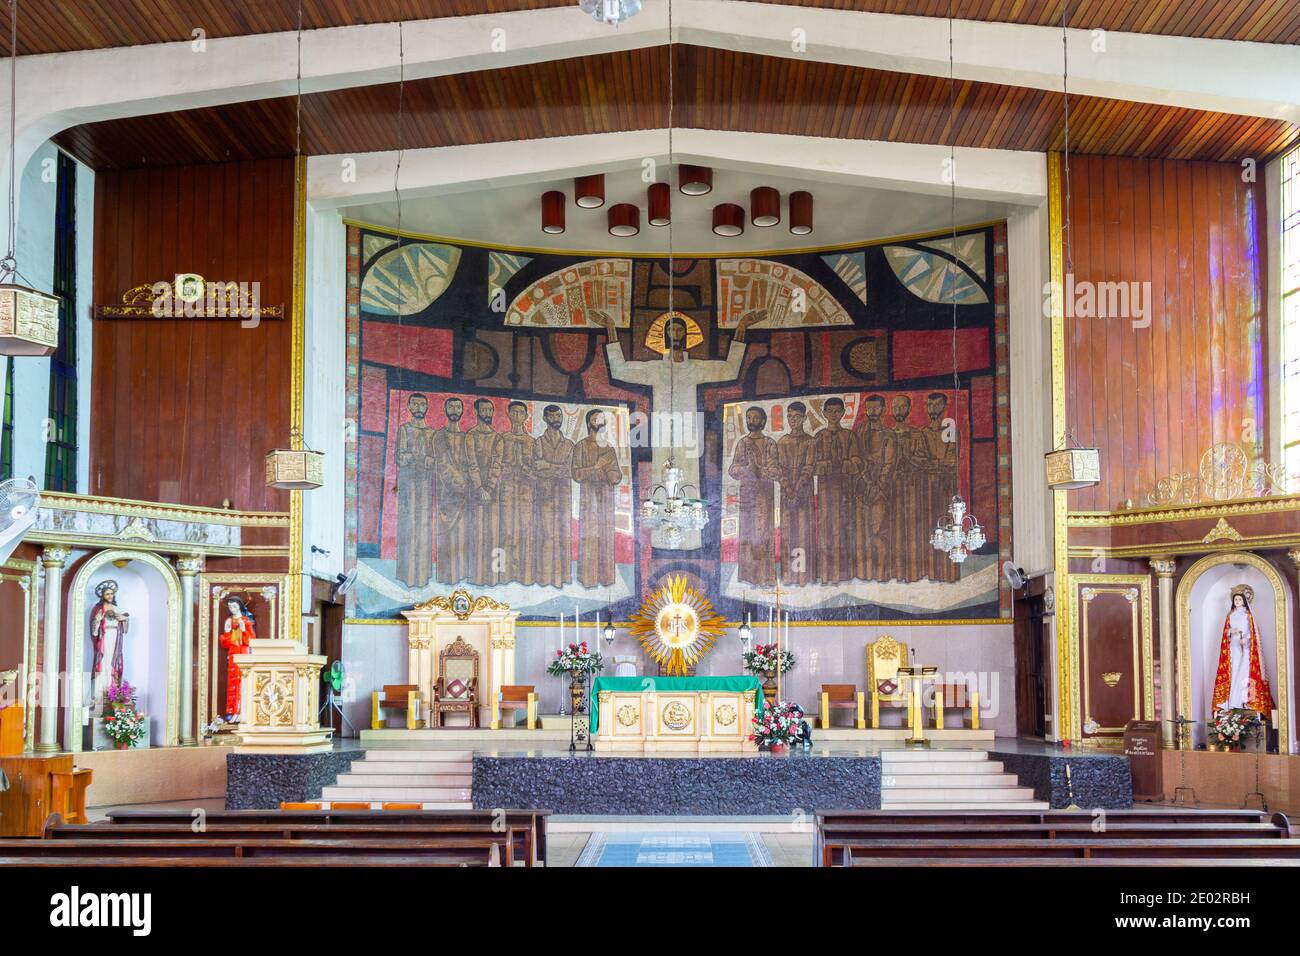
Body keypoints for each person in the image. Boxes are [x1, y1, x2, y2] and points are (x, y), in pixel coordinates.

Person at [571, 408, 623, 587]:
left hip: (606, 495)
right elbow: (577, 474)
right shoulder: (581, 446)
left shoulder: (609, 448)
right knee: (590, 533)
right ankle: (588, 578)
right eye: (596, 419)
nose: (600, 422)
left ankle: (606, 577)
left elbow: (617, 476)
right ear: (588, 423)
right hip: (589, 495)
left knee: (606, 534)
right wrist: (596, 466)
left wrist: (610, 471)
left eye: (602, 419)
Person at [728, 405, 779, 585]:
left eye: (755, 418)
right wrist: (747, 470)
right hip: (748, 495)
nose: (751, 421)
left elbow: (776, 470)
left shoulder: (770, 443)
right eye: (749, 417)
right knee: (748, 532)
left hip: (765, 495)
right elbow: (733, 468)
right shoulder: (743, 443)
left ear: (763, 421)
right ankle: (748, 575)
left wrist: (761, 470)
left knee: (764, 532)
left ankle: (765, 576)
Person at [1212, 588, 1276, 715]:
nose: (1237, 601)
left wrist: (1245, 639)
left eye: (1239, 599)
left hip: (1246, 647)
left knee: (1245, 671)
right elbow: (1226, 631)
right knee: (1234, 671)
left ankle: (1245, 702)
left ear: (1244, 601)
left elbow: (1253, 632)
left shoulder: (1248, 615)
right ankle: (1231, 703)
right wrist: (1231, 632)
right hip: (1233, 647)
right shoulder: (1230, 615)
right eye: (1235, 599)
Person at [394, 393, 435, 587]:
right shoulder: (404, 429)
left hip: (425, 484)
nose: (419, 407)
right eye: (416, 403)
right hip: (409, 483)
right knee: (409, 524)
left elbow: (437, 458)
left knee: (424, 525)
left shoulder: (431, 433)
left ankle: (423, 575)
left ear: (427, 407)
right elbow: (399, 457)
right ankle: (407, 574)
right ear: (409, 406)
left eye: (423, 404)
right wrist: (414, 457)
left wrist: (430, 460)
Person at [219, 597, 256, 720]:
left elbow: (251, 641)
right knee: (233, 682)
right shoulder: (228, 621)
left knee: (243, 681)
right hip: (233, 654)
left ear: (239, 606)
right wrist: (227, 632)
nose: (232, 609)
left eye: (234, 606)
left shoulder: (246, 620)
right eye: (230, 607)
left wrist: (244, 630)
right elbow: (225, 643)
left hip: (244, 653)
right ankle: (232, 710)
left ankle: (242, 711)